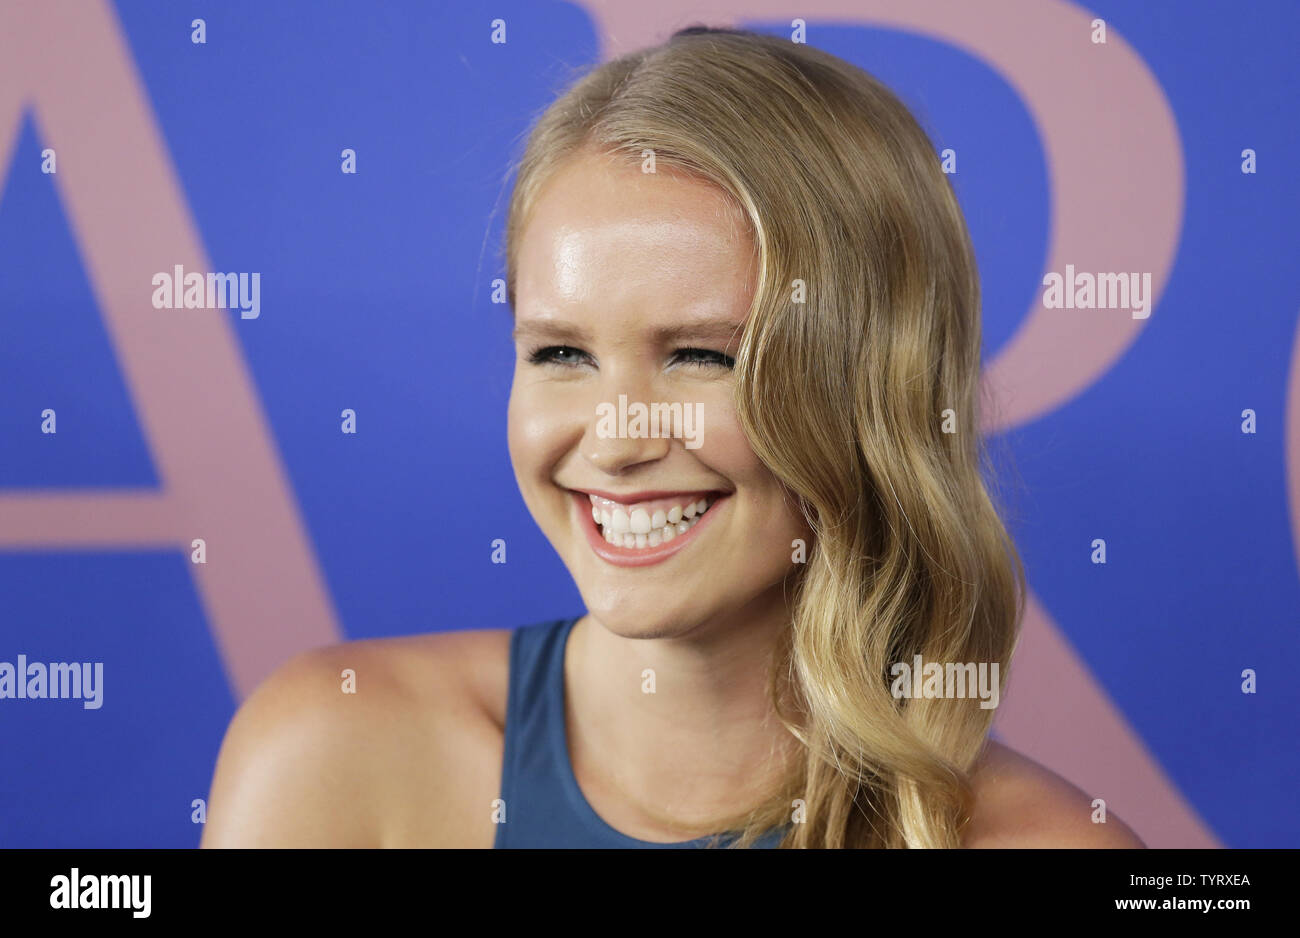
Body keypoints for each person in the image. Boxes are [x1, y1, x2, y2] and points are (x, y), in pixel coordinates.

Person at [201, 26, 1144, 849]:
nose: (614, 440)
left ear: (872, 389)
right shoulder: (333, 749)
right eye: (563, 354)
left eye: (699, 356)